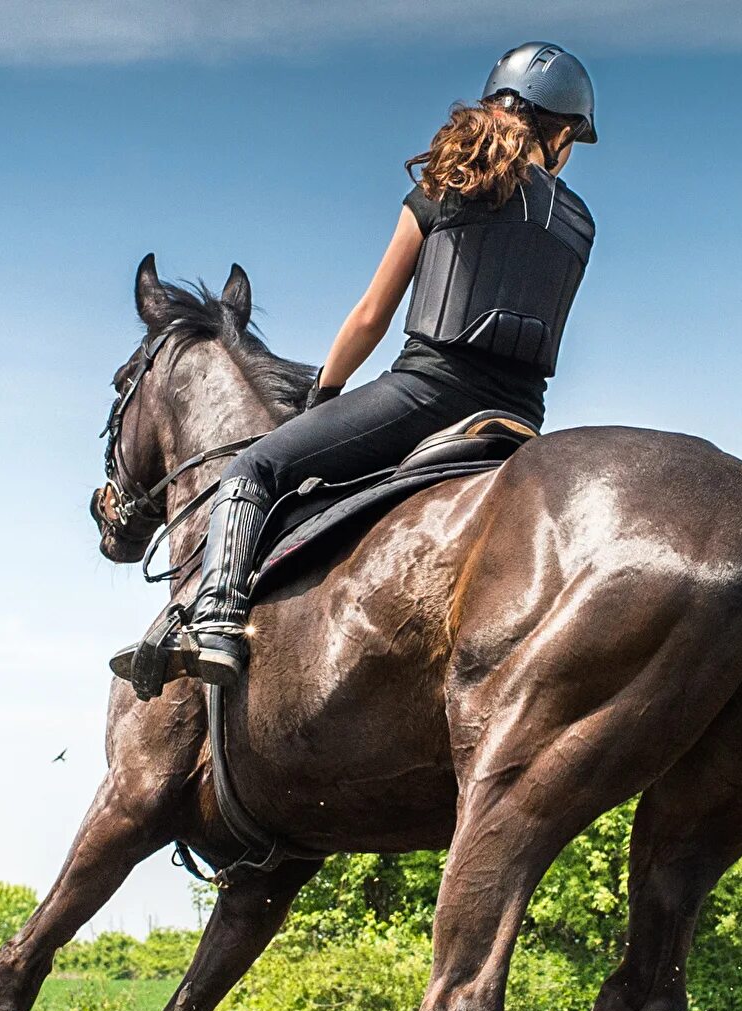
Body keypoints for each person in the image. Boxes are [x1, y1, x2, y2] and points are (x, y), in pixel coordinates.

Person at [115, 42, 598, 694]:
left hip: (427, 396)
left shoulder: (446, 185)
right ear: (561, 133)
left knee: (253, 468)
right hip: (521, 421)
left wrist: (326, 391)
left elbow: (371, 315)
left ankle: (215, 623)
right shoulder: (579, 223)